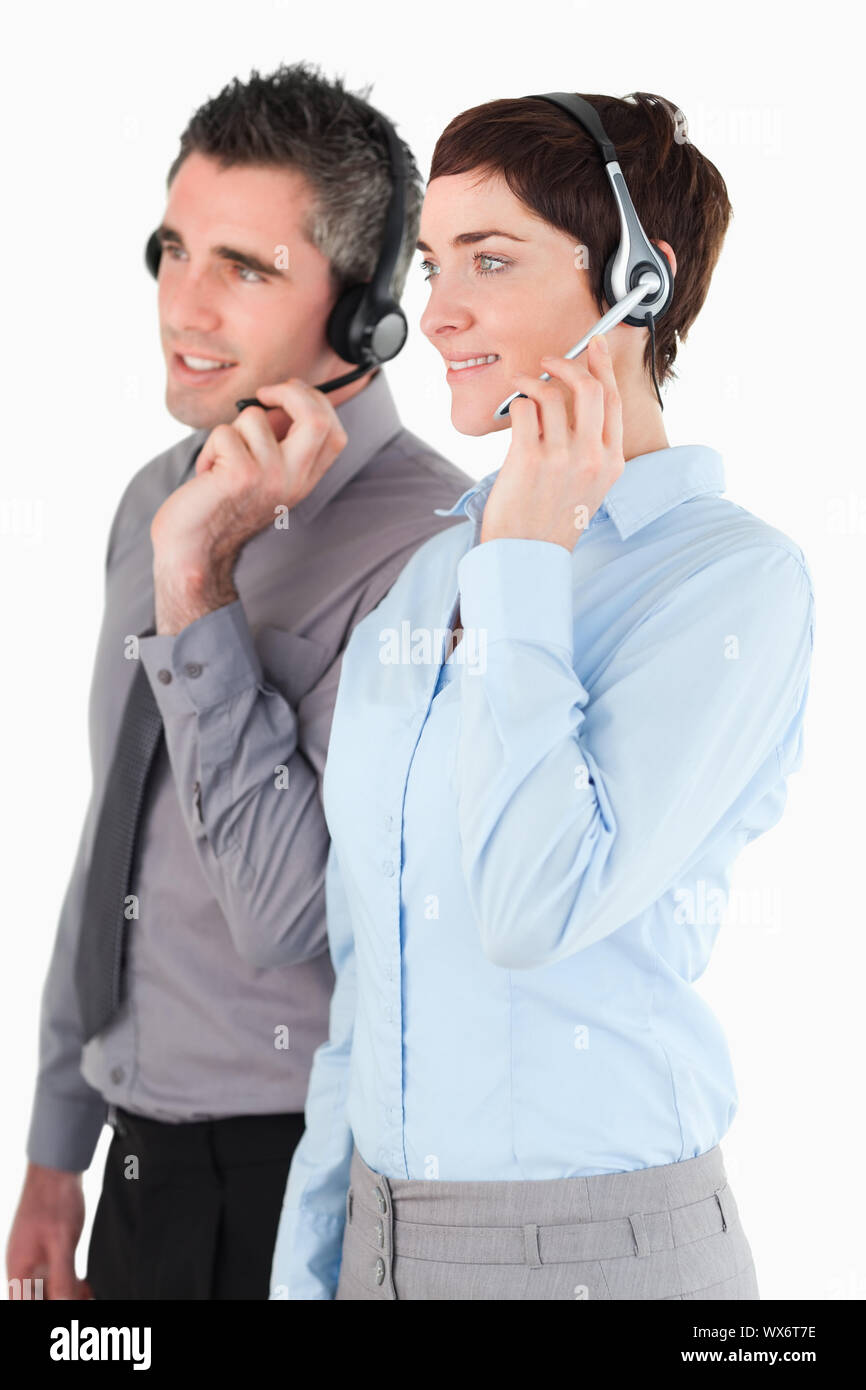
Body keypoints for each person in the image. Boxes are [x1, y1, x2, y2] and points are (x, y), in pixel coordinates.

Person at [269, 90, 815, 1301]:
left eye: (491, 259)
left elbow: (531, 905)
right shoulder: (419, 583)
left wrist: (522, 563)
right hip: (375, 1236)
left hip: (595, 1259)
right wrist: (307, 1269)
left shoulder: (732, 586)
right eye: (429, 263)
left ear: (638, 277)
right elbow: (363, 984)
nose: (436, 311)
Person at [6, 61, 470, 1301]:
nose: (182, 305)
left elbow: (287, 920)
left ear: (368, 311)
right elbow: (114, 836)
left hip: (308, 1182)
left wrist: (199, 582)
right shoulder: (159, 498)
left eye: (245, 268)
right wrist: (59, 1148)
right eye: (174, 249)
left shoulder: (433, 550)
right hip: (137, 1176)